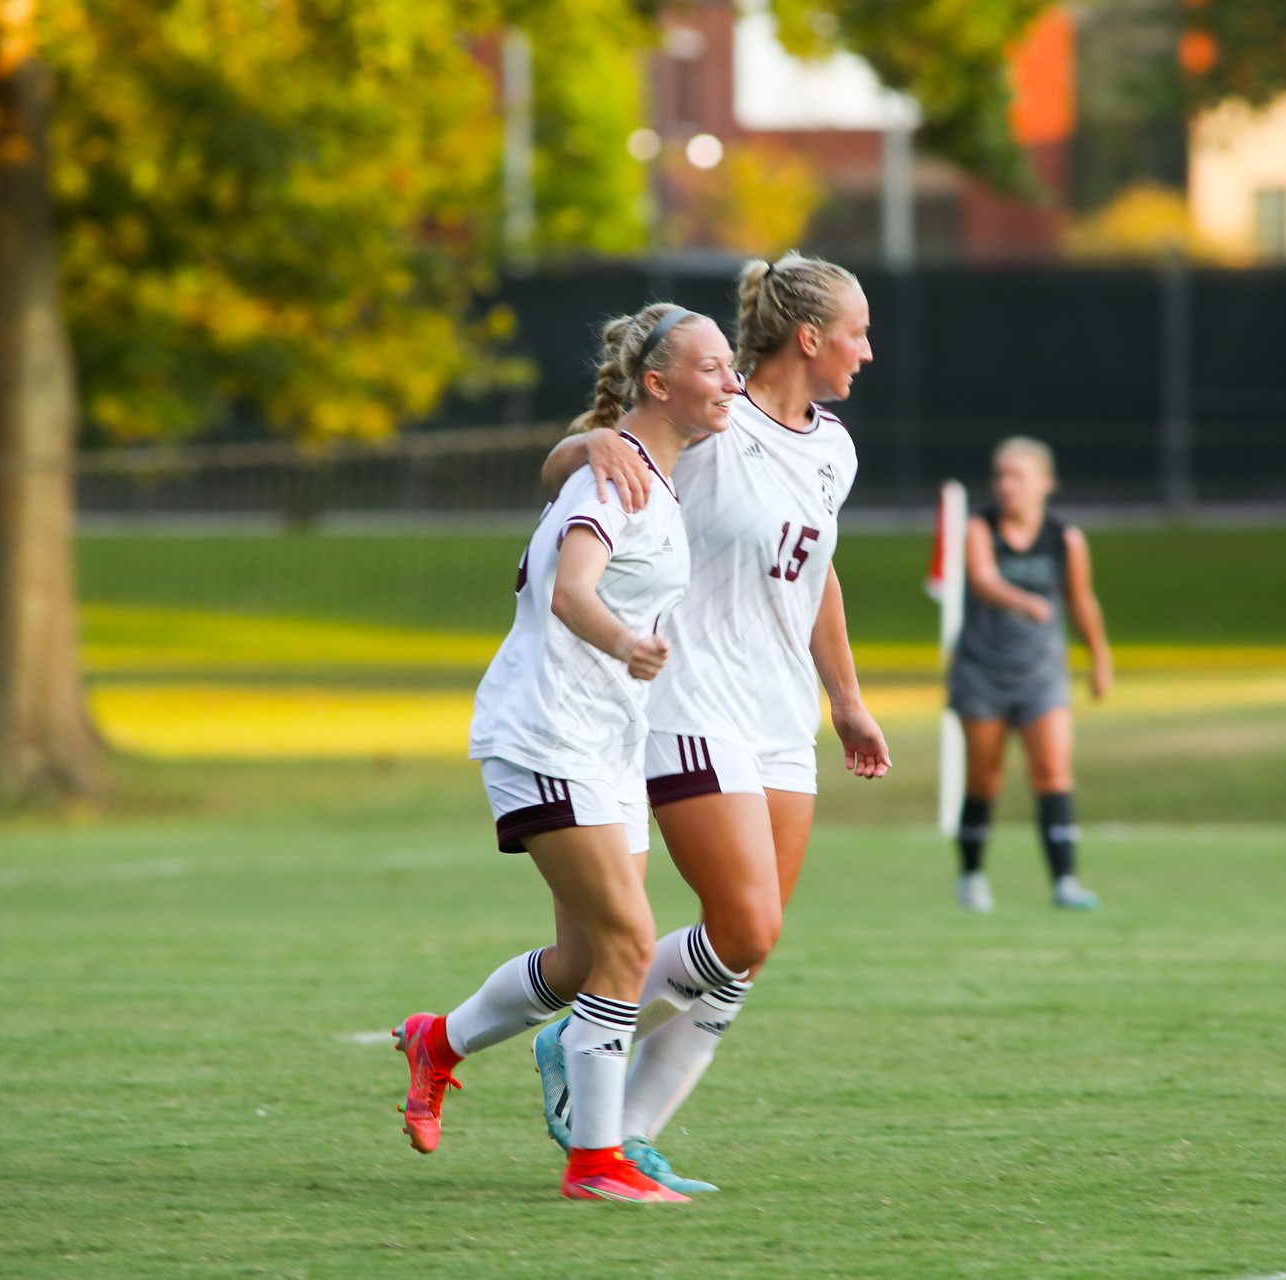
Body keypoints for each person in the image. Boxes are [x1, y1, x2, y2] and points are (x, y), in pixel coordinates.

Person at [535, 251, 890, 1195]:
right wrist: (588, 445)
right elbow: (578, 462)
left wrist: (845, 699)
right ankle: (588, 1034)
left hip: (781, 717)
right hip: (690, 703)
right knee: (746, 920)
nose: (867, 349)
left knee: (748, 946)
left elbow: (816, 574)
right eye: (857, 332)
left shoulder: (835, 448)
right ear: (810, 339)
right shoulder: (714, 424)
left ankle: (628, 1131)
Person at [391, 303, 738, 1203]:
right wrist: (626, 641)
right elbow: (572, 589)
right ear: (658, 384)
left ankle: (438, 1042)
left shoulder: (645, 469)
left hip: (606, 743)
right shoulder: (613, 479)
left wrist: (584, 445)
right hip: (549, 733)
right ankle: (597, 1162)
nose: (729, 380)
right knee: (628, 942)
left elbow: (571, 463)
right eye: (712, 366)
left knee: (588, 959)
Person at [948, 437, 1113, 913]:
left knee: (1054, 772)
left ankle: (1065, 881)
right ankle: (972, 877)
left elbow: (1082, 601)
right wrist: (1023, 601)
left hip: (1041, 675)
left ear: (1045, 483)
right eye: (1001, 476)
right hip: (981, 673)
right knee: (984, 779)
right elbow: (981, 578)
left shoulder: (1066, 538)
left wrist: (1099, 659)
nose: (1007, 486)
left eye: (1017, 476)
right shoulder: (979, 526)